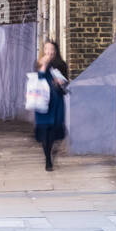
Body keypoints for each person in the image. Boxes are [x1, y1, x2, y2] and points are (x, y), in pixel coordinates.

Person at [34, 40, 70, 171]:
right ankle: (48, 159)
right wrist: (43, 65)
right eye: (47, 49)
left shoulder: (61, 65)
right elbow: (38, 78)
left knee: (55, 131)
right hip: (43, 102)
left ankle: (51, 152)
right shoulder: (39, 63)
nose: (49, 52)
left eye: (52, 50)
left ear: (56, 51)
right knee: (45, 131)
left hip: (56, 102)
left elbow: (66, 83)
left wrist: (60, 82)